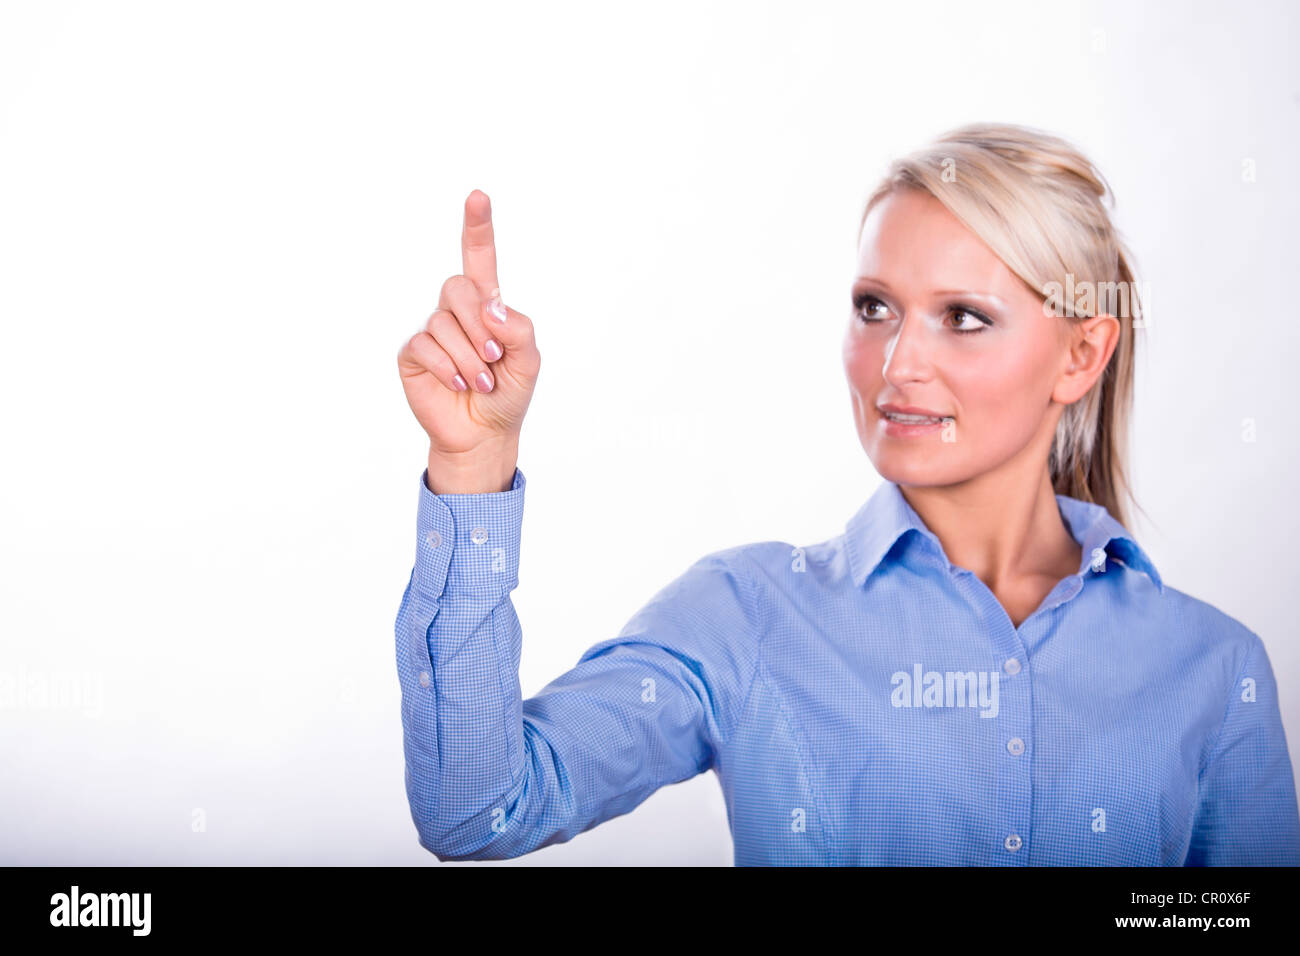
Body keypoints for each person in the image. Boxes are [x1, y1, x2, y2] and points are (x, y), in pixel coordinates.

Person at [393, 123, 1300, 865]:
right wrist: (473, 465)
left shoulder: (1215, 671)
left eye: (964, 317)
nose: (897, 364)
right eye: (875, 307)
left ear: (1081, 355)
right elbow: (480, 809)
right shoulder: (747, 616)